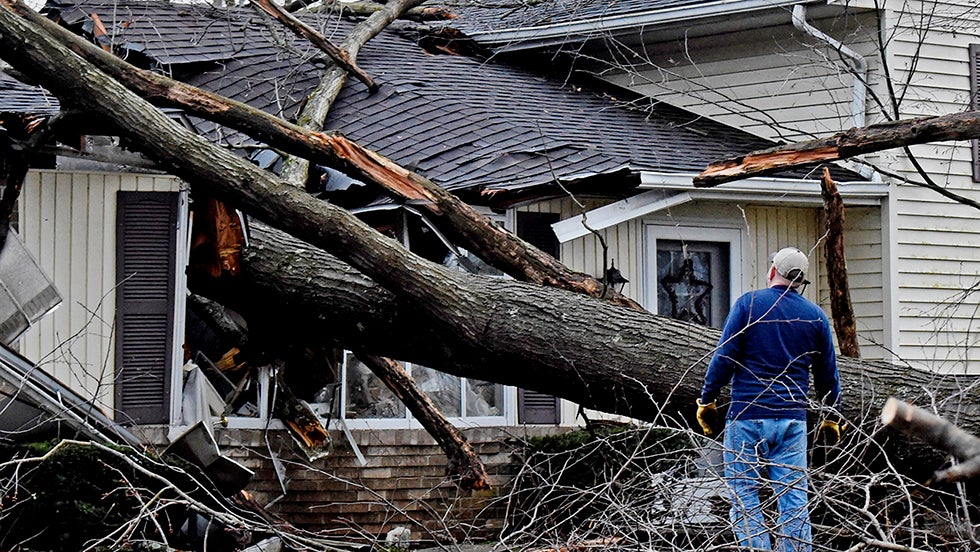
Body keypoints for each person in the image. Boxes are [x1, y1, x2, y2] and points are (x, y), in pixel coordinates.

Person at [695, 247, 841, 552]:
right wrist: (831, 416)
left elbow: (724, 358)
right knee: (793, 497)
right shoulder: (815, 317)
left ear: (772, 270)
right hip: (792, 421)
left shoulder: (748, 305)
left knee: (745, 495)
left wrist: (707, 400)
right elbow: (827, 374)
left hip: (747, 415)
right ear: (801, 281)